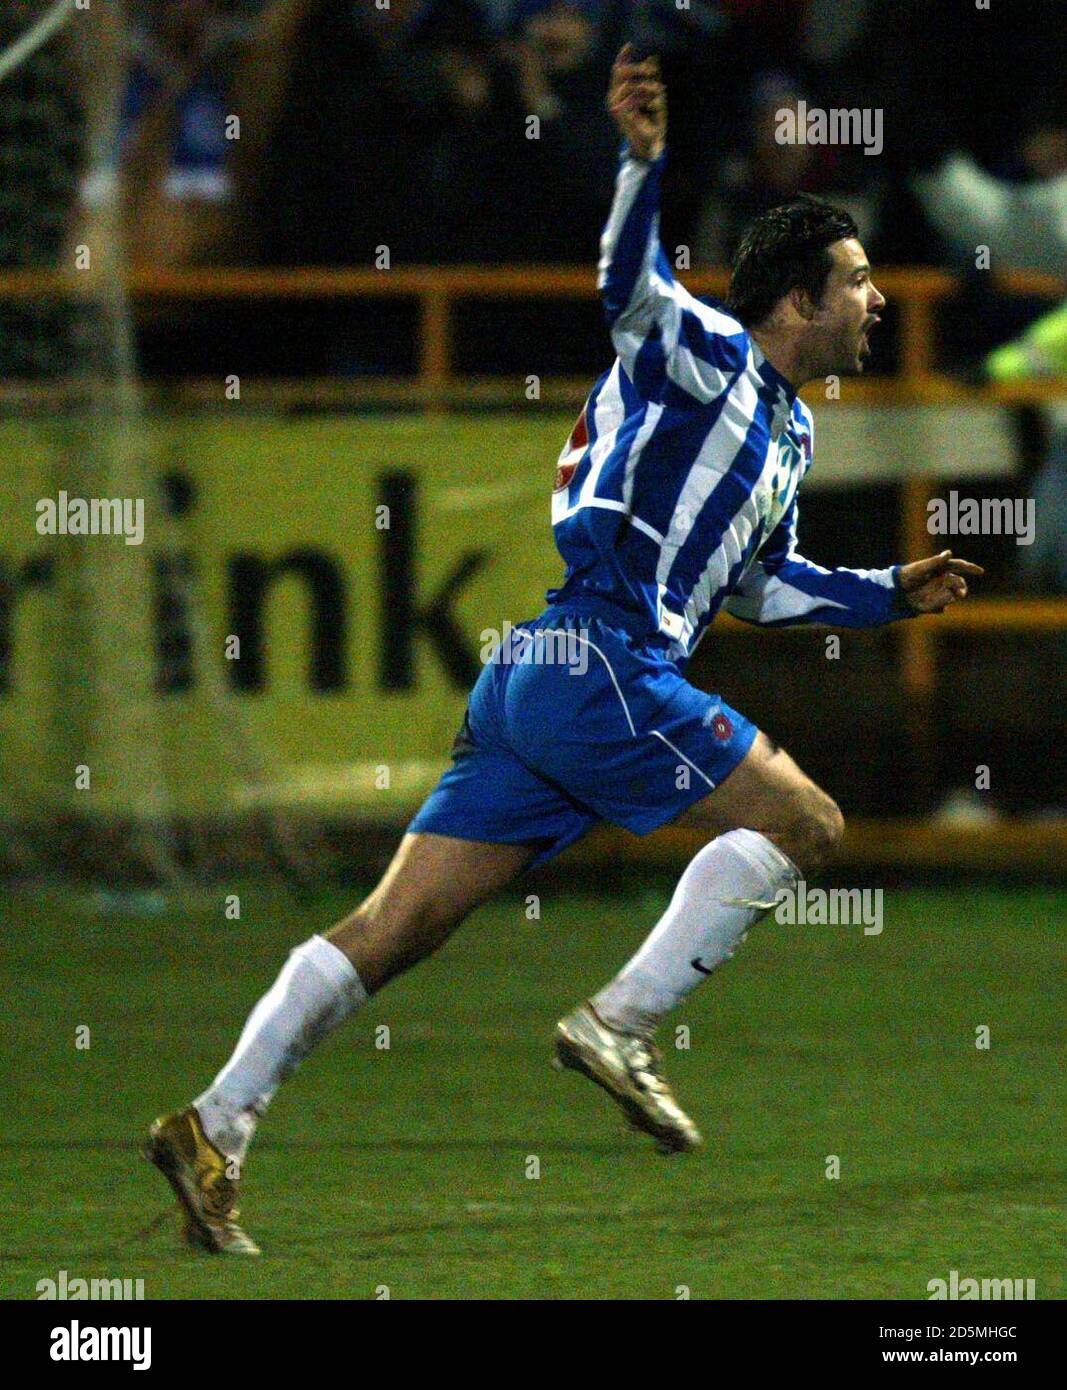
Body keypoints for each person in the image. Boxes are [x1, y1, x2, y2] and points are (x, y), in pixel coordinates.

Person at [145, 46, 982, 1255]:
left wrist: (883, 594)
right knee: (807, 824)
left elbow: (759, 586)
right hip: (601, 656)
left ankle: (217, 1121)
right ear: (796, 299)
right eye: (856, 282)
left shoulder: (785, 432)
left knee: (397, 925)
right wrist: (642, 168)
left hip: (538, 672)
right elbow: (627, 289)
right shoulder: (707, 351)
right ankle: (620, 1025)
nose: (878, 300)